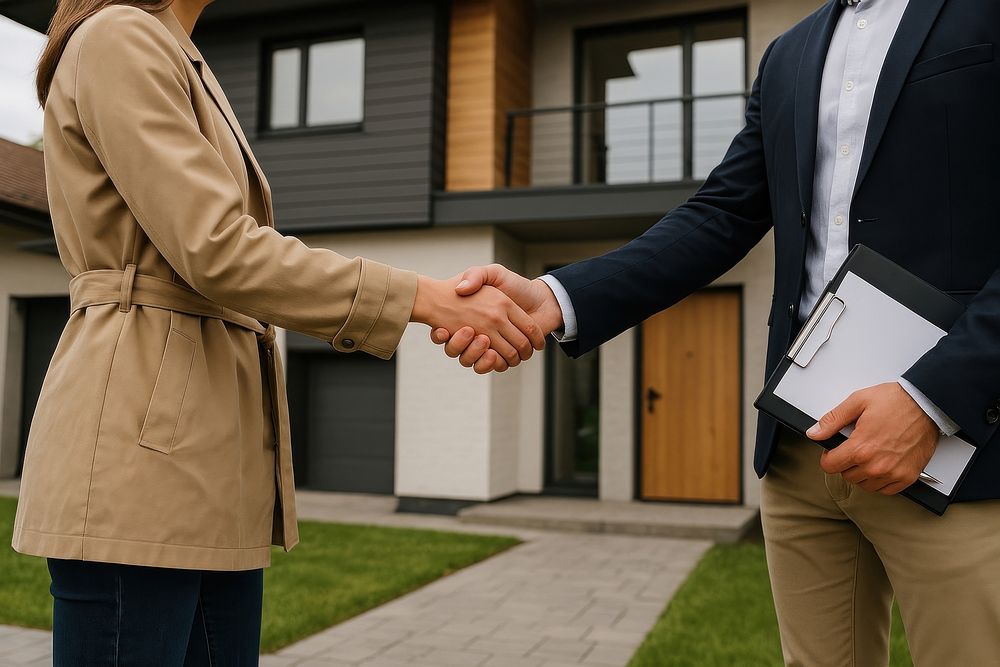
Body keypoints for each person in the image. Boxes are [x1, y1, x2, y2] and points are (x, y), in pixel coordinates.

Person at [436, 0, 1000, 664]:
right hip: (800, 456)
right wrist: (556, 297)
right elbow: (721, 213)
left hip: (956, 448)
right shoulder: (788, 52)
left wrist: (930, 398)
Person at [11, 0, 544, 663]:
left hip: (205, 461)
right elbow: (219, 249)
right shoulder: (120, 36)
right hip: (140, 461)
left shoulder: (175, 51)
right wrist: (427, 297)